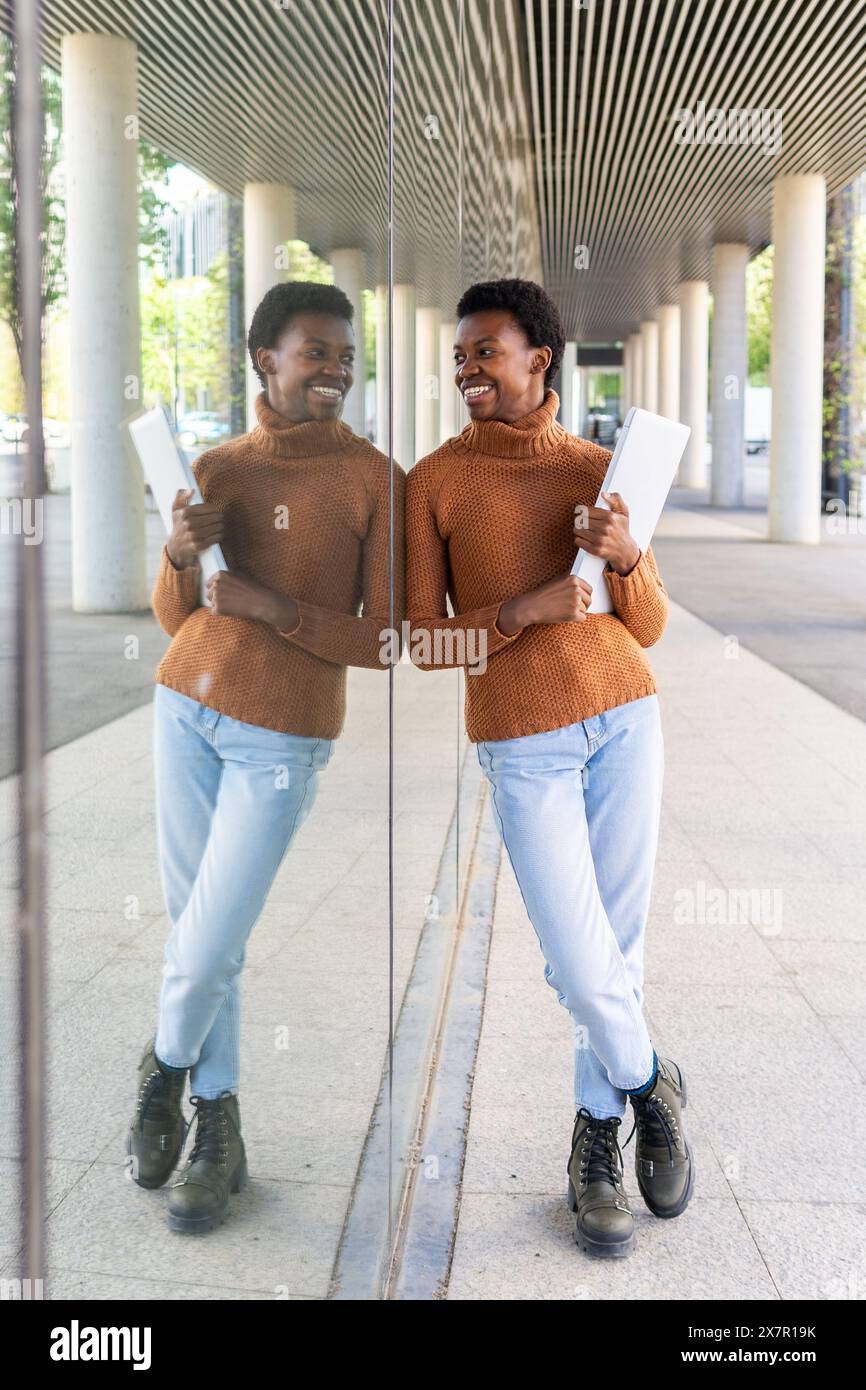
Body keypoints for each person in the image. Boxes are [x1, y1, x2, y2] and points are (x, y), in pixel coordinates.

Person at [405, 277, 693, 1260]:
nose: (466, 368)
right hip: (519, 736)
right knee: (578, 955)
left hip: (621, 715)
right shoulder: (434, 480)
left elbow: (645, 627)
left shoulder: (603, 467)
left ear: (539, 357)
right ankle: (651, 1080)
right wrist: (517, 612)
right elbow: (419, 642)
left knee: (616, 942)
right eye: (458, 354)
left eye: (484, 351)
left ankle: (595, 1148)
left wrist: (625, 558)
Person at [127, 281, 404, 1234]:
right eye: (314, 352)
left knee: (205, 939)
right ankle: (220, 1132)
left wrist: (278, 610)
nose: (335, 369)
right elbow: (179, 616)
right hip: (184, 705)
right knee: (206, 933)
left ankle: (162, 1070)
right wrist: (176, 554)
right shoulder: (217, 465)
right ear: (264, 361)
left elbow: (383, 639)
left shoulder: (374, 477)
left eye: (343, 354)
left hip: (283, 735)